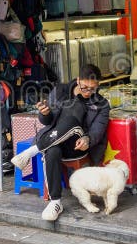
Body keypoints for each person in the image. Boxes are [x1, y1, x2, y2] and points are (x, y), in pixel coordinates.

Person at [11, 64, 111, 221]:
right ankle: (56, 202)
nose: (87, 92)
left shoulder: (102, 104)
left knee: (72, 119)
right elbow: (47, 121)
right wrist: (44, 113)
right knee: (52, 151)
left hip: (78, 143)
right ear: (78, 80)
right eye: (84, 87)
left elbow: (97, 130)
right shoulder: (60, 91)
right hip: (54, 141)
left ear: (97, 86)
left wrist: (88, 139)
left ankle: (31, 152)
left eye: (92, 89)